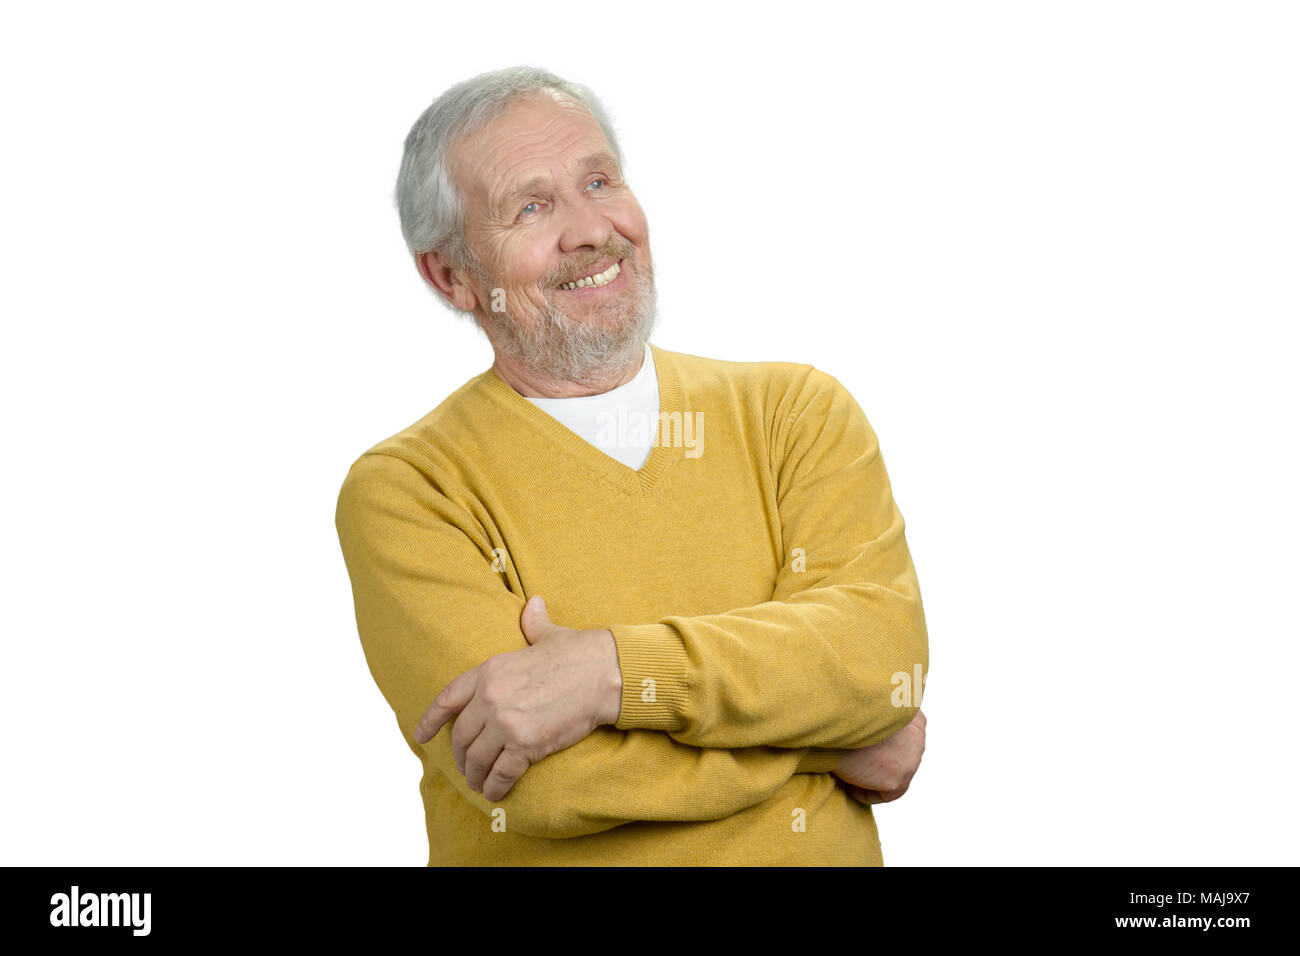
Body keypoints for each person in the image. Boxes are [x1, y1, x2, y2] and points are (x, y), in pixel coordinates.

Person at [334, 66, 929, 866]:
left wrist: (610, 674)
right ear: (452, 276)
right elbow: (547, 782)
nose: (591, 231)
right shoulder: (409, 490)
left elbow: (881, 662)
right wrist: (826, 740)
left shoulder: (795, 414)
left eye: (599, 181)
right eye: (533, 206)